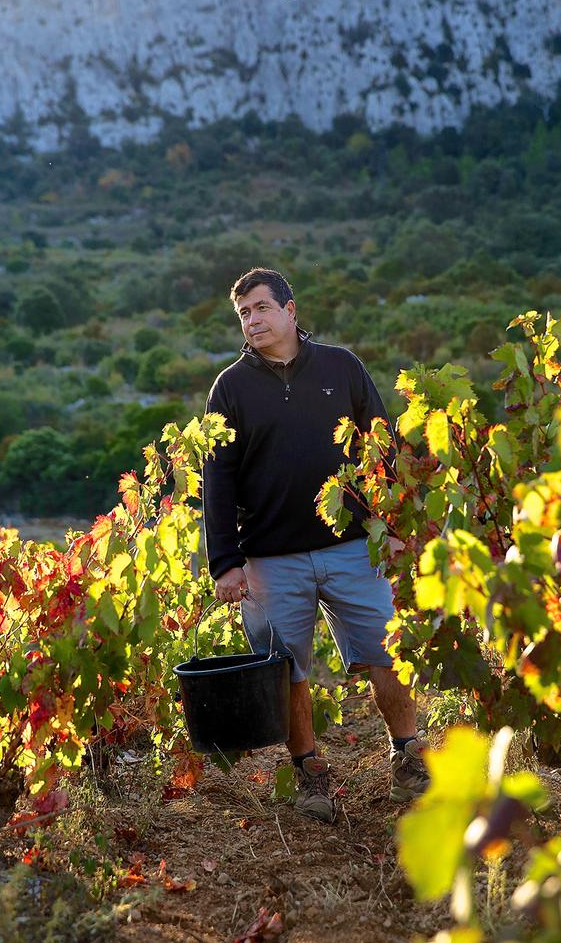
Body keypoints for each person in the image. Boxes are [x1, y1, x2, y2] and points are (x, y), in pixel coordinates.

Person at [202, 267, 428, 823]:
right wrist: (226, 562)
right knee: (287, 671)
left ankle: (408, 758)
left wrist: (395, 528)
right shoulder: (229, 388)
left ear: (289, 309)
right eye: (244, 315)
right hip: (270, 558)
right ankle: (309, 773)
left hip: (351, 547)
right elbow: (218, 481)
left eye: (260, 308)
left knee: (386, 650)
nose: (252, 321)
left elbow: (381, 450)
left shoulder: (341, 368)